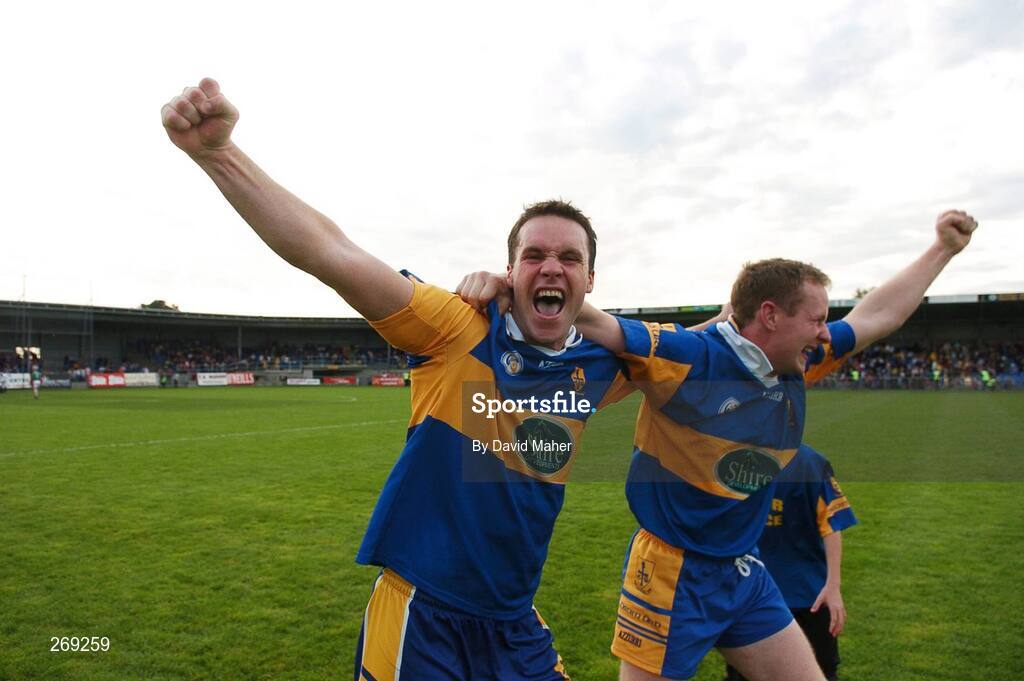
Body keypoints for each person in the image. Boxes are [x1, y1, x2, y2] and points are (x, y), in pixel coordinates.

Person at [161, 77, 646, 680]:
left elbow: (704, 348)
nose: (551, 266)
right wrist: (218, 154)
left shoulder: (601, 365)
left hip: (516, 622)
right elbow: (331, 252)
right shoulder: (455, 327)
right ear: (511, 269)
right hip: (424, 616)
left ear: (591, 279)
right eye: (534, 256)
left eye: (569, 258)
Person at [457, 209, 978, 680]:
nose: (827, 332)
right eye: (817, 318)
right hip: (670, 573)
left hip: (742, 568)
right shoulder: (690, 358)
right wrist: (509, 286)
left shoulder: (798, 358)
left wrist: (942, 250)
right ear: (771, 316)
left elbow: (877, 317)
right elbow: (592, 320)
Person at [724, 444, 857, 681]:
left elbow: (831, 524)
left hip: (803, 596)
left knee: (817, 670)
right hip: (761, 595)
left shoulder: (808, 463)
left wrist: (833, 586)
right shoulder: (733, 460)